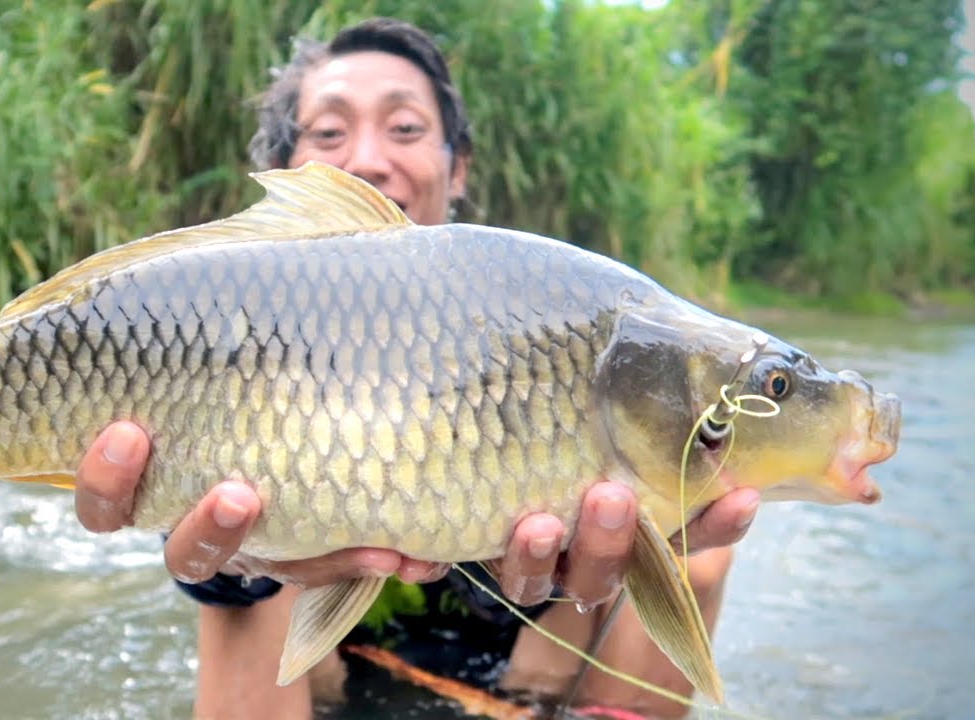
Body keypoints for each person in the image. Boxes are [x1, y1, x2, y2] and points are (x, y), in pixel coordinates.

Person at [71, 17, 761, 720]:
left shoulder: (548, 299)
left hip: (522, 670)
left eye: (403, 129)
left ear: (456, 167)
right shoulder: (224, 318)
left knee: (692, 540)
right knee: (237, 573)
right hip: (318, 670)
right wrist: (232, 568)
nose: (368, 158)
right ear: (288, 176)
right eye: (329, 133)